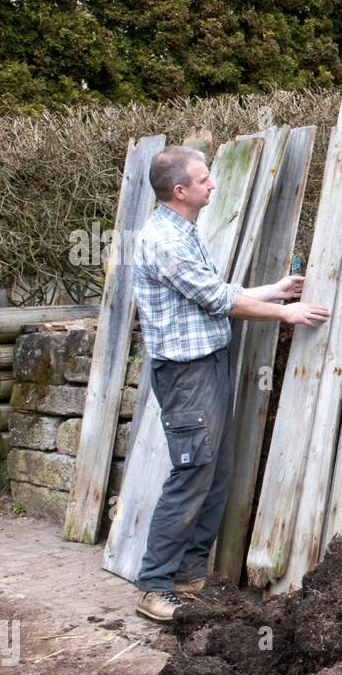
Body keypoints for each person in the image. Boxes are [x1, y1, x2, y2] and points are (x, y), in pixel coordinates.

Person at [129, 145, 329, 622]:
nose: (212, 184)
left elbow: (213, 294)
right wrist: (284, 312)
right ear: (180, 191)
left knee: (214, 472)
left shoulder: (183, 230)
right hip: (186, 374)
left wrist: (273, 289)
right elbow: (220, 301)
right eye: (204, 179)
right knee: (192, 470)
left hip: (208, 363)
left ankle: (189, 574)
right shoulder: (166, 241)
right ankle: (154, 585)